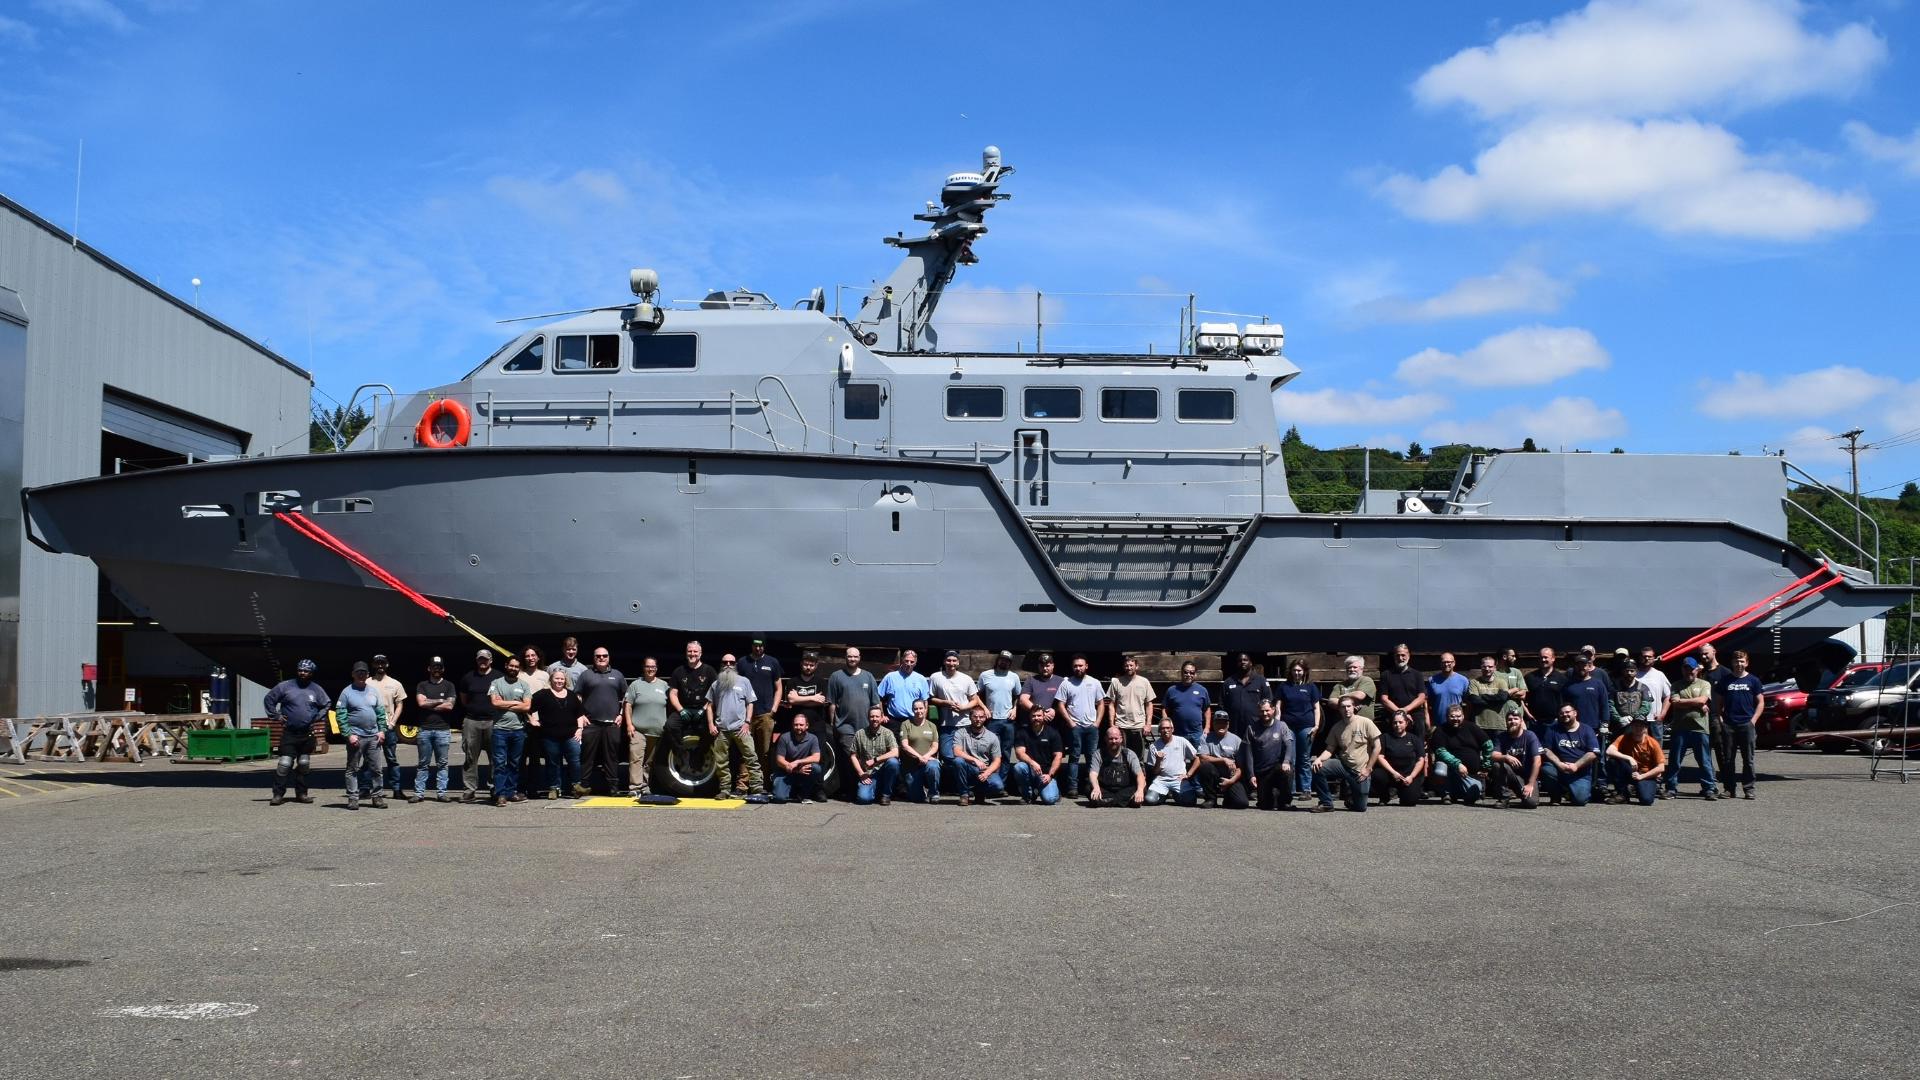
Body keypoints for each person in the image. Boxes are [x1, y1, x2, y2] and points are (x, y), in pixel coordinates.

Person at [265, 659, 329, 805]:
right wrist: (276, 716)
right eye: (300, 670)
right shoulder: (285, 686)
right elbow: (269, 699)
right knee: (284, 764)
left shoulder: (316, 689)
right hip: (290, 733)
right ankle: (278, 794)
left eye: (306, 671)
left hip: (307, 733)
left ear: (311, 673)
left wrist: (316, 717)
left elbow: (326, 704)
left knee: (304, 764)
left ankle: (302, 794)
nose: (302, 673)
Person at [710, 652, 767, 797]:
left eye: (731, 662)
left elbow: (750, 703)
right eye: (725, 662)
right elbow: (709, 706)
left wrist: (747, 722)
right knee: (721, 761)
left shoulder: (744, 681)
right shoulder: (716, 684)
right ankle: (724, 790)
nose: (728, 665)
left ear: (735, 665)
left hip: (741, 728)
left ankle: (757, 787)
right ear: (721, 665)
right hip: (722, 729)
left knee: (751, 757)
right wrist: (711, 724)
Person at [1310, 697, 1380, 813]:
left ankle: (1352, 798)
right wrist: (1319, 759)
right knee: (1317, 768)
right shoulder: (1337, 727)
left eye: (1349, 706)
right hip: (1343, 765)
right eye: (1343, 707)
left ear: (1354, 708)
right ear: (1339, 709)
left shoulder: (1365, 722)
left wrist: (1368, 769)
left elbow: (1377, 747)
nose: (1346, 709)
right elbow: (1329, 749)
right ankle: (1326, 803)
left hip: (1360, 771)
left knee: (1360, 808)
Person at [577, 646, 630, 796]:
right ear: (593, 658)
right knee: (587, 756)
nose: (601, 658)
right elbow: (578, 696)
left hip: (612, 724)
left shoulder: (617, 675)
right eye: (598, 656)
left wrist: (621, 715)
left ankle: (613, 787)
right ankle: (584, 786)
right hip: (591, 723)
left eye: (604, 656)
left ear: (609, 657)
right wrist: (580, 715)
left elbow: (626, 698)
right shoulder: (586, 675)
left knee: (612, 757)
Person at [1664, 658, 1719, 800]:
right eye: (1686, 668)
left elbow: (1702, 700)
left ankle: (1709, 788)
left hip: (1700, 728)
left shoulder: (1704, 684)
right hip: (1679, 728)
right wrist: (1697, 704)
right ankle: (1671, 788)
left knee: (1704, 760)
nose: (1689, 671)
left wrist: (1692, 702)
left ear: (1697, 670)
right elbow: (1675, 703)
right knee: (1675, 760)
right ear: (1682, 669)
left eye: (1692, 669)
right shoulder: (1676, 685)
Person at [826, 648, 878, 795]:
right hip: (845, 726)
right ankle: (850, 788)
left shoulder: (868, 677)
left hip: (866, 726)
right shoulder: (836, 677)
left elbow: (875, 703)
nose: (852, 659)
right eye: (850, 657)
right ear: (845, 658)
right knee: (851, 755)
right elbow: (832, 704)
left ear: (859, 658)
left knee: (864, 757)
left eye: (855, 657)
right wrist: (833, 723)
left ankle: (863, 787)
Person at [338, 661, 389, 810]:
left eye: (364, 673)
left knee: (377, 769)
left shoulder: (373, 691)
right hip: (356, 737)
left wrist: (382, 731)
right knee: (352, 769)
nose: (361, 675)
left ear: (368, 675)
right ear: (353, 674)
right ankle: (353, 798)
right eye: (358, 672)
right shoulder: (346, 692)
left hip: (373, 737)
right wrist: (348, 735)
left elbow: (380, 712)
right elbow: (340, 716)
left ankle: (377, 797)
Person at [528, 666, 585, 799]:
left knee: (575, 761)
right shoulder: (543, 694)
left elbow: (579, 714)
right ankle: (554, 788)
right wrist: (531, 720)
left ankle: (576, 786)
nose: (559, 681)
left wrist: (580, 729)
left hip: (571, 735)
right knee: (553, 763)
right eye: (556, 678)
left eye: (561, 679)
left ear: (565, 680)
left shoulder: (571, 695)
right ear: (551, 680)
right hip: (549, 736)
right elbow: (527, 706)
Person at [486, 655, 533, 805]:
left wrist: (505, 703)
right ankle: (500, 794)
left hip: (518, 730)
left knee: (515, 763)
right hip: (500, 729)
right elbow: (494, 703)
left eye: (516, 667)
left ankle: (511, 792)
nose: (514, 669)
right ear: (506, 666)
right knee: (499, 763)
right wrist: (515, 702)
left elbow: (527, 706)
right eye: (511, 666)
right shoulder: (496, 683)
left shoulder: (524, 685)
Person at [1055, 654, 1104, 800]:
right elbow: (1060, 704)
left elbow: (1101, 703)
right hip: (1075, 726)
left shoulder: (1094, 682)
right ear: (1072, 667)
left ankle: (1090, 786)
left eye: (1081, 665)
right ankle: (1072, 788)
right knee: (1074, 757)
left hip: (1091, 726)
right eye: (1075, 666)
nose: (1078, 668)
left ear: (1086, 666)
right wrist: (1070, 722)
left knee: (1092, 757)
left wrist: (1097, 723)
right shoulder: (1066, 683)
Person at [739, 637, 785, 789]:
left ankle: (763, 786)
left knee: (764, 752)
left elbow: (779, 687)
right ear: (751, 645)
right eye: (755, 645)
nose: (758, 649)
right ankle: (743, 786)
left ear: (764, 647)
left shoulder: (772, 662)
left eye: (761, 646)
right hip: (746, 715)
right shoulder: (742, 662)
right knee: (746, 751)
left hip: (766, 714)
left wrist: (774, 709)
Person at [1718, 650, 1764, 799]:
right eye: (1736, 661)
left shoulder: (1753, 680)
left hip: (1747, 724)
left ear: (1747, 663)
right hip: (1729, 725)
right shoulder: (1726, 681)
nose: (1739, 664)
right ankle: (1729, 789)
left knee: (1748, 759)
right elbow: (1718, 703)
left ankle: (1749, 789)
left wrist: (1753, 720)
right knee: (1728, 759)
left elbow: (1760, 702)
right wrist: (1720, 719)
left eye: (1742, 661)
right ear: (1732, 663)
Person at [622, 656, 670, 798]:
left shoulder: (664, 685)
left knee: (649, 762)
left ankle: (644, 786)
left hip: (657, 732)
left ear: (657, 668)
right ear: (643, 668)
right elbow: (627, 705)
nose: (650, 669)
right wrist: (629, 724)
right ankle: (634, 787)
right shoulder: (636, 685)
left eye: (653, 667)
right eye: (648, 667)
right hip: (638, 730)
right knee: (636, 758)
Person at [410, 657, 455, 803]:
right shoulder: (422, 685)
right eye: (434, 667)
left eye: (439, 667)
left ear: (443, 669)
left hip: (442, 730)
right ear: (429, 669)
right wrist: (440, 701)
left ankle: (442, 793)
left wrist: (430, 702)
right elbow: (421, 703)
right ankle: (419, 793)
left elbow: (450, 706)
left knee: (442, 764)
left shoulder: (449, 685)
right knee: (423, 763)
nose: (437, 669)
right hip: (425, 730)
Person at [1275, 658, 1322, 798]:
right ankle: (1291, 788)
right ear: (1290, 671)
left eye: (1299, 671)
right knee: (1290, 758)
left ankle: (1306, 789)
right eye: (1294, 670)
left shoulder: (1311, 687)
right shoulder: (1284, 687)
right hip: (1288, 726)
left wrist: (1316, 726)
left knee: (1305, 758)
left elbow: (1316, 708)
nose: (1297, 673)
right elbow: (1278, 707)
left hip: (1306, 726)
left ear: (1304, 671)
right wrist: (1277, 725)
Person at [457, 649, 499, 803]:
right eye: (480, 659)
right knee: (470, 757)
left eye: (486, 659)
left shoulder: (498, 677)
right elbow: (464, 699)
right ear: (477, 660)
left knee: (496, 757)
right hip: (472, 721)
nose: (483, 661)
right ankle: (469, 790)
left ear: (491, 660)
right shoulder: (468, 677)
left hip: (493, 721)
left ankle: (495, 788)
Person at [1540, 703, 1600, 807]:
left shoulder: (1587, 729)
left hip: (1580, 772)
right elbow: (1546, 749)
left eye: (1567, 712)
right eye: (1561, 713)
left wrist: (1576, 766)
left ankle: (1569, 791)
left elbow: (1593, 753)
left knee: (1580, 801)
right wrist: (1559, 764)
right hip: (1559, 769)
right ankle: (1556, 796)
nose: (1564, 715)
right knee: (1546, 769)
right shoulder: (1552, 729)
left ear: (1575, 713)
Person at [1429, 704, 1488, 805]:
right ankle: (1446, 793)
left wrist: (1486, 765)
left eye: (1458, 716)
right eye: (1452, 716)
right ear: (1447, 717)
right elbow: (1440, 751)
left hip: (1470, 774)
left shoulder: (1472, 727)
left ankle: (1462, 793)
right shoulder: (1440, 730)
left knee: (1472, 795)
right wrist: (1458, 764)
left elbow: (1488, 745)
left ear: (1463, 716)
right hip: (1451, 770)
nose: (1455, 719)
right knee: (1440, 768)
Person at [975, 650, 1021, 779]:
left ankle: (1002, 783)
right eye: (1002, 659)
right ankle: (990, 781)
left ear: (1010, 663)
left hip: (1008, 720)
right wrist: (984, 708)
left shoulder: (1014, 677)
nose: (1004, 662)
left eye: (1007, 660)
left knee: (1006, 753)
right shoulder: (986, 675)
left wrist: (1015, 709)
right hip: (991, 720)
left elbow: (1018, 696)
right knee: (991, 752)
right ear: (997, 660)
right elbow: (976, 695)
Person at [368, 654, 408, 800]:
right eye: (377, 663)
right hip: (371, 727)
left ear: (387, 665)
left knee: (391, 758)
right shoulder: (367, 683)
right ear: (373, 665)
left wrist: (392, 723)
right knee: (368, 759)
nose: (380, 665)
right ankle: (366, 788)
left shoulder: (395, 683)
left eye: (382, 663)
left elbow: (400, 704)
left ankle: (396, 789)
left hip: (387, 726)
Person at [1698, 643, 1736, 794]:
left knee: (1722, 753)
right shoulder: (1700, 673)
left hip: (1717, 718)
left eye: (1706, 653)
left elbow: (1730, 696)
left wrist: (1724, 715)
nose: (1704, 657)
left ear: (1714, 652)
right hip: (1701, 718)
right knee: (1704, 754)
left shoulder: (1725, 673)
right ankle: (1710, 785)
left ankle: (1728, 787)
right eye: (1701, 654)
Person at [1194, 709, 1250, 809]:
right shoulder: (1205, 738)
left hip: (1230, 777)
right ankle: (1211, 799)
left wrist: (1231, 781)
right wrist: (1223, 760)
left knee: (1242, 803)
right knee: (1205, 767)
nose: (1221, 725)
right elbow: (1202, 758)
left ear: (1228, 724)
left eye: (1224, 723)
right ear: (1213, 723)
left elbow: (1241, 767)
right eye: (1218, 722)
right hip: (1214, 775)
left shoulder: (1236, 740)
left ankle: (1228, 798)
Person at [1245, 698, 1295, 811]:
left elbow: (1289, 745)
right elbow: (1249, 754)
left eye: (1267, 710)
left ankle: (1285, 802)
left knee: (1288, 771)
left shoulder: (1282, 726)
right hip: (1261, 771)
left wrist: (1286, 761)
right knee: (1265, 806)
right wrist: (1251, 774)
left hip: (1277, 766)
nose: (1265, 714)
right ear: (1258, 711)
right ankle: (1273, 795)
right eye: (1262, 711)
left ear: (1273, 710)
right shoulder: (1251, 728)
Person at [953, 703, 1006, 805]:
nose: (978, 719)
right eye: (975, 716)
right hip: (967, 767)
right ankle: (964, 795)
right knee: (958, 761)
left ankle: (979, 792)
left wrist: (987, 773)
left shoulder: (992, 737)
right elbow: (957, 752)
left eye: (981, 717)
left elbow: (997, 760)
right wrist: (974, 760)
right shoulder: (961, 733)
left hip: (984, 770)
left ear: (985, 718)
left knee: (998, 786)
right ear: (970, 717)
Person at [1606, 716, 1666, 805]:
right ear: (1631, 727)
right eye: (1635, 725)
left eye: (1641, 726)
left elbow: (1661, 768)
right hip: (1630, 770)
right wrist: (1629, 758)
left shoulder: (1652, 743)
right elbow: (1609, 751)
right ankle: (1622, 794)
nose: (1638, 728)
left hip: (1646, 774)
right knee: (1613, 761)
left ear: (1646, 728)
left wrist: (1642, 776)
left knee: (1646, 800)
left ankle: (1636, 788)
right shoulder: (1624, 737)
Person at [1370, 709, 1426, 807]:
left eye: (1400, 722)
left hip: (1408, 776)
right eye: (1395, 722)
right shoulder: (1385, 738)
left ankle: (1403, 793)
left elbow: (1421, 759)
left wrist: (1411, 776)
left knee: (1410, 802)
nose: (1397, 725)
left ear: (1406, 723)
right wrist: (1393, 773)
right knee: (1377, 775)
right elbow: (1380, 757)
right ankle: (1384, 796)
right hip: (1390, 774)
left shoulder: (1414, 739)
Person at [1103, 654, 1155, 757]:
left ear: (1137, 666)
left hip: (1138, 726)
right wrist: (1112, 724)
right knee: (1121, 756)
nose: (1129, 668)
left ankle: (1140, 773)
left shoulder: (1144, 682)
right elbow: (1111, 705)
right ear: (1124, 667)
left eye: (1131, 665)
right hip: (1121, 726)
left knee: (1139, 757)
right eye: (1127, 666)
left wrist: (1148, 724)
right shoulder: (1116, 682)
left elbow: (1149, 704)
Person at [1012, 705, 1065, 804]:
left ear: (1044, 716)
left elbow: (1058, 756)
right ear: (1029, 717)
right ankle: (1028, 795)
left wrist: (1050, 775)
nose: (1036, 718)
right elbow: (1019, 753)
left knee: (1050, 799)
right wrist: (1032, 763)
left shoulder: (1053, 733)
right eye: (1033, 716)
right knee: (1019, 767)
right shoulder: (1022, 732)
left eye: (1039, 715)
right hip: (1030, 770)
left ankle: (1051, 791)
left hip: (1046, 774)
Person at [1489, 711, 1542, 809]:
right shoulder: (1501, 737)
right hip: (1511, 774)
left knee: (1531, 803)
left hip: (1527, 777)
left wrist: (1530, 784)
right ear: (1506, 722)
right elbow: (1493, 755)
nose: (1512, 721)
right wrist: (1506, 757)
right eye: (1509, 719)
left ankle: (1521, 792)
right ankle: (1504, 798)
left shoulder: (1530, 736)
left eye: (1516, 719)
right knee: (1497, 765)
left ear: (1521, 721)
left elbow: (1537, 761)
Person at [849, 705, 900, 805]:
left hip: (884, 771)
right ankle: (876, 790)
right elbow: (853, 756)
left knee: (893, 762)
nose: (874, 719)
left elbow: (895, 752)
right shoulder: (860, 734)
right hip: (869, 774)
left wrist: (875, 760)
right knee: (863, 799)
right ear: (868, 718)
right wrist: (860, 774)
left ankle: (886, 794)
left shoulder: (888, 733)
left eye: (877, 716)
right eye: (872, 717)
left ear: (881, 718)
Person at [1144, 717, 1200, 806]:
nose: (1165, 730)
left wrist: (1188, 774)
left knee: (1190, 801)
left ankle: (1174, 794)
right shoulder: (1154, 746)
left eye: (1168, 728)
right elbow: (1154, 772)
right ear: (1159, 731)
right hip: (1161, 779)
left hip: (1178, 779)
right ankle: (1164, 795)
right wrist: (1158, 761)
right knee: (1149, 800)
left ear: (1172, 729)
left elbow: (1197, 759)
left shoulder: (1182, 741)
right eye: (1163, 728)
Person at [517, 645, 549, 796]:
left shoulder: (544, 675)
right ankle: (520, 788)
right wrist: (528, 717)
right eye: (527, 656)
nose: (530, 658)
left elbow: (548, 698)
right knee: (521, 758)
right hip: (522, 721)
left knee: (535, 758)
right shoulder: (519, 675)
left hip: (539, 723)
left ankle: (533, 788)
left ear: (538, 657)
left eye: (533, 655)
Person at [770, 715, 825, 803]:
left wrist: (797, 762)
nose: (798, 727)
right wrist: (795, 769)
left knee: (816, 768)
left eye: (801, 725)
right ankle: (788, 790)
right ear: (792, 725)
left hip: (803, 772)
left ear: (807, 726)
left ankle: (803, 794)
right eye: (796, 725)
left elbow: (816, 757)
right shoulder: (784, 737)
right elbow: (779, 760)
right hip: (786, 772)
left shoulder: (813, 738)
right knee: (779, 798)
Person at [1088, 724, 1145, 807]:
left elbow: (1139, 775)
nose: (1114, 741)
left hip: (1125, 789)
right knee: (1089, 788)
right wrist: (1096, 787)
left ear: (1121, 739)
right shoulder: (1098, 754)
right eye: (1111, 739)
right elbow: (1093, 774)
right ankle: (1124, 801)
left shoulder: (1129, 754)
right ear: (1105, 739)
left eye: (1116, 738)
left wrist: (1140, 791)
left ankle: (1107, 801)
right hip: (1105, 789)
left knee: (1141, 787)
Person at [898, 698, 942, 804]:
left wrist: (926, 757)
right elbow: (904, 745)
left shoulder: (932, 726)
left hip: (928, 762)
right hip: (912, 765)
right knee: (916, 798)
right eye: (916, 709)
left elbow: (935, 746)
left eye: (921, 708)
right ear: (912, 710)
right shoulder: (906, 724)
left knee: (934, 766)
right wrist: (919, 757)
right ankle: (921, 791)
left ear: (925, 709)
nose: (919, 711)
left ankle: (934, 792)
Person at [1377, 644, 1428, 736]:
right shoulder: (1386, 675)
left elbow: (1422, 697)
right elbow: (1384, 699)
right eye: (1398, 655)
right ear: (1394, 657)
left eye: (1403, 655)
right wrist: (1400, 713)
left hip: (1415, 715)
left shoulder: (1417, 675)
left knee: (1418, 743)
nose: (1400, 658)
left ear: (1408, 656)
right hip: (1393, 715)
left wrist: (1405, 710)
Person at [1466, 656, 1518, 740]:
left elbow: (1502, 698)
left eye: (1490, 666)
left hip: (1498, 725)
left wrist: (1482, 696)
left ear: (1494, 668)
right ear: (1481, 667)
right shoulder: (1474, 682)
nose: (1487, 669)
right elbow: (1475, 700)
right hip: (1480, 725)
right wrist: (1495, 700)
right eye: (1484, 666)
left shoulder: (1501, 682)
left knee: (1498, 752)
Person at [1220, 652, 1270, 738]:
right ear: (1237, 664)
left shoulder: (1261, 681)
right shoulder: (1228, 682)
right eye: (1240, 660)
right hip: (1234, 727)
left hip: (1256, 726)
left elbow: (1268, 702)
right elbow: (1222, 704)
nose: (1242, 662)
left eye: (1245, 660)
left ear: (1250, 663)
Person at [1162, 660, 1212, 744]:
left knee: (1198, 756)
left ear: (1195, 674)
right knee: (1178, 757)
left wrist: (1207, 727)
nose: (1189, 675)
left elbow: (1207, 709)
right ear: (1181, 673)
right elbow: (1165, 709)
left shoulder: (1202, 690)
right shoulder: (1172, 690)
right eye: (1186, 672)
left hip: (1197, 734)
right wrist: (1167, 725)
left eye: (1192, 673)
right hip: (1177, 733)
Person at [878, 649, 931, 726]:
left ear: (915, 663)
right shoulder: (890, 677)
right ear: (902, 660)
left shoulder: (921, 679)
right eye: (906, 661)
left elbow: (925, 702)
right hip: (894, 721)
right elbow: (878, 697)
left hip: (914, 721)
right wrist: (882, 715)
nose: (909, 664)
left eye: (912, 662)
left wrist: (923, 720)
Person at [1634, 646, 1674, 744]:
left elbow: (1669, 695)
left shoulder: (1659, 675)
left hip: (1655, 719)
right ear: (1640, 658)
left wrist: (1663, 714)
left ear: (1653, 658)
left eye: (1649, 656)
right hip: (1637, 719)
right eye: (1644, 656)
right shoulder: (1633, 674)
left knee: (1656, 750)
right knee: (1639, 750)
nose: (1647, 658)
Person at [1525, 648, 1568, 736]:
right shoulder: (1529, 677)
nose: (1543, 660)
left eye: (1546, 657)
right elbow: (1522, 699)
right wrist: (1527, 714)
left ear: (1553, 658)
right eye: (1540, 657)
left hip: (1554, 723)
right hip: (1534, 722)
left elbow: (1566, 701)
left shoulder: (1561, 678)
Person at [1561, 654, 1609, 733]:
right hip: (1572, 726)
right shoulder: (1568, 686)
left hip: (1594, 727)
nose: (1581, 667)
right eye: (1578, 665)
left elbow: (1604, 704)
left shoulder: (1598, 684)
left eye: (1584, 665)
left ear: (1589, 666)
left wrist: (1605, 723)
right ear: (1574, 667)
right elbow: (1563, 705)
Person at [1425, 654, 1468, 733]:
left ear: (1454, 663)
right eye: (1444, 662)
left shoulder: (1463, 680)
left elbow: (1468, 703)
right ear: (1440, 663)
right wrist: (1427, 720)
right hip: (1438, 724)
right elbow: (1426, 702)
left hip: (1457, 723)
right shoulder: (1432, 680)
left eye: (1449, 662)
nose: (1446, 664)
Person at [1332, 656, 1376, 720]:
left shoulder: (1366, 680)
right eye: (1349, 667)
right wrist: (1351, 705)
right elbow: (1331, 701)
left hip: (1363, 723)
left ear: (1361, 669)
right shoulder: (1339, 685)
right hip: (1345, 723)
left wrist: (1341, 697)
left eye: (1355, 667)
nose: (1352, 669)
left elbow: (1360, 695)